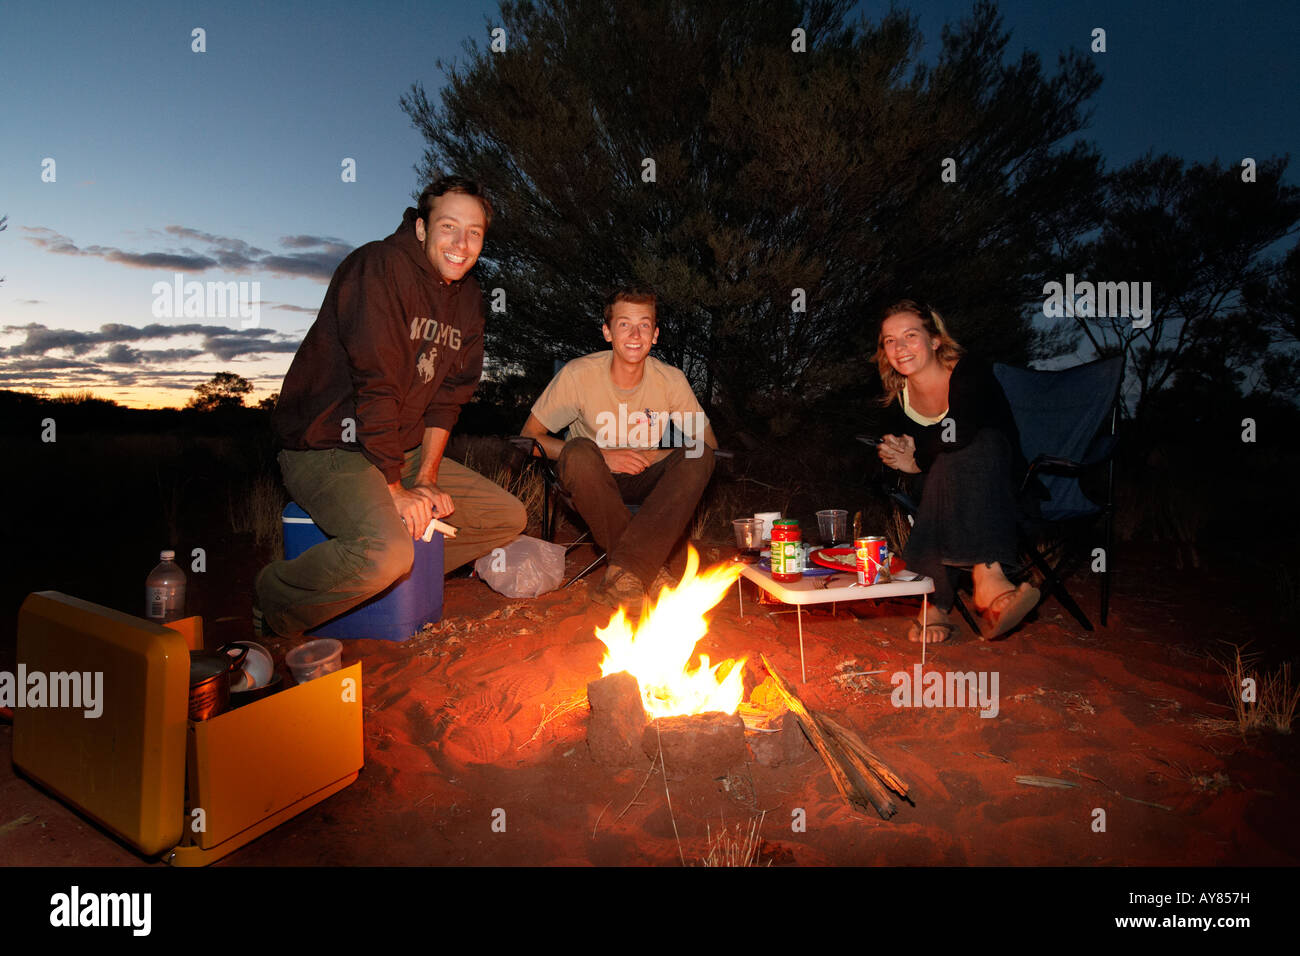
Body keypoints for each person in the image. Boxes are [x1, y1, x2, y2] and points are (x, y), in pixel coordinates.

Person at [255, 176, 527, 637]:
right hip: (328, 445)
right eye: (448, 227)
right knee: (385, 553)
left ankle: (392, 580)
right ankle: (274, 598)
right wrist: (396, 490)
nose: (462, 244)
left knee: (506, 517)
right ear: (421, 228)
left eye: (475, 232)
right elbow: (376, 386)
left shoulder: (470, 299)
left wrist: (425, 479)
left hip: (400, 447)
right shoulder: (376, 268)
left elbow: (449, 398)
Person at [520, 288, 717, 614]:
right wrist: (604, 455)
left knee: (699, 455)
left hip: (646, 477)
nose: (635, 334)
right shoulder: (578, 374)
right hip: (592, 478)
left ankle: (625, 573)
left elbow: (708, 444)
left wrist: (657, 455)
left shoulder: (670, 379)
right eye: (624, 324)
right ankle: (645, 569)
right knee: (582, 452)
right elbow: (530, 438)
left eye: (644, 325)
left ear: (655, 335)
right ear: (607, 332)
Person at [873, 300, 1040, 642]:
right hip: (939, 490)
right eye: (890, 340)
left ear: (935, 340)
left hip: (1000, 488)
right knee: (946, 464)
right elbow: (911, 459)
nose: (899, 347)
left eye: (910, 335)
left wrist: (918, 456)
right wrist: (895, 455)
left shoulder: (970, 369)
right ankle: (988, 580)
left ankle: (936, 601)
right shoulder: (897, 397)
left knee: (981, 441)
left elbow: (960, 429)